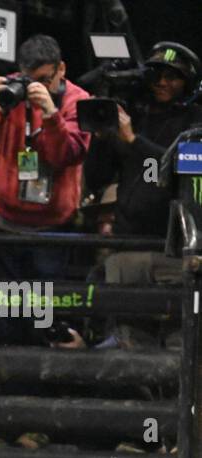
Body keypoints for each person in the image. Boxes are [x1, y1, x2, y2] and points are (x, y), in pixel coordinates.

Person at [0, 35, 90, 344]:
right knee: (6, 314)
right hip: (5, 223)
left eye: (45, 79)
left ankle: (43, 385)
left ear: (61, 69)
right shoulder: (5, 91)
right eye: (30, 79)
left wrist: (51, 113)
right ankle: (6, 382)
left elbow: (67, 155)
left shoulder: (78, 100)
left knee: (43, 314)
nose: (37, 86)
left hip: (52, 227)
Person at [85, 42, 202, 347]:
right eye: (157, 74)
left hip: (173, 252)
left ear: (188, 81)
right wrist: (102, 138)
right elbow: (95, 178)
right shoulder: (132, 116)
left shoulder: (195, 122)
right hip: (128, 247)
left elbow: (183, 170)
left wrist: (134, 141)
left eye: (172, 76)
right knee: (130, 341)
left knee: (179, 343)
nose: (162, 82)